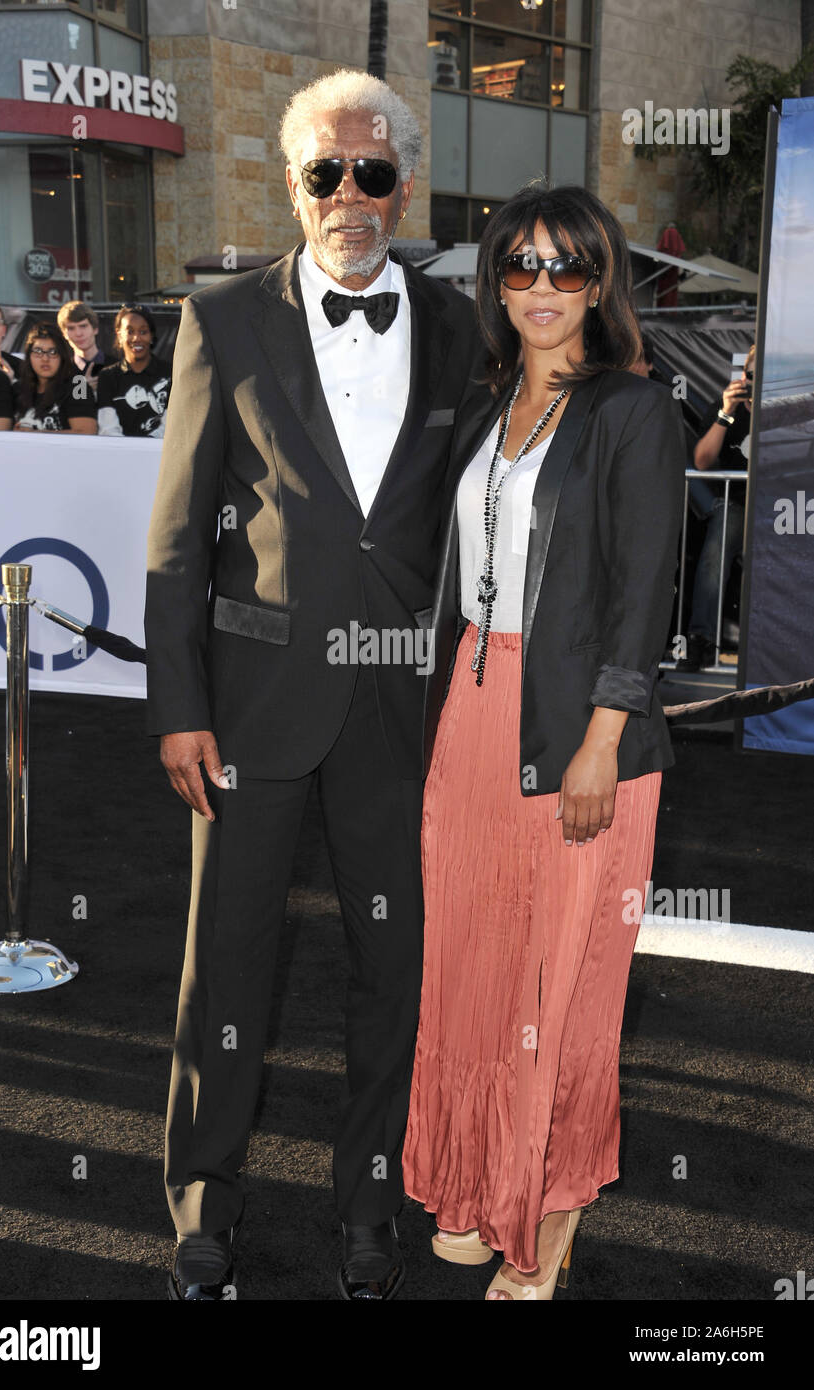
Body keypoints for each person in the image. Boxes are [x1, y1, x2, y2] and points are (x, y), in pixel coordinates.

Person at [144, 68, 480, 1302]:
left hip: (399, 707)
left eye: (374, 171)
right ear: (291, 186)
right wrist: (178, 701)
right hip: (250, 706)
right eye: (326, 173)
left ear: (402, 184)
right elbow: (179, 534)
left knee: (393, 973)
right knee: (224, 965)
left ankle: (370, 1205)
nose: (351, 193)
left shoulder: (462, 326)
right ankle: (202, 1206)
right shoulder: (223, 317)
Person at [401, 184, 686, 1299]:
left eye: (566, 268)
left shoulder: (630, 409)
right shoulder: (483, 410)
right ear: (495, 283)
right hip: (473, 717)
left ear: (600, 281)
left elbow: (641, 593)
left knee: (560, 985)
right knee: (470, 969)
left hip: (578, 730)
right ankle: (473, 1184)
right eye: (518, 266)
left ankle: (547, 1218)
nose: (541, 289)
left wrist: (602, 736)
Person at [676, 346, 754, 672]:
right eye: (749, 375)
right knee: (714, 555)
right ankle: (701, 641)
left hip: (783, 504)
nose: (752, 381)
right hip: (738, 501)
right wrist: (727, 412)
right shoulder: (727, 406)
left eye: (761, 375)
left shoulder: (788, 406)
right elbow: (702, 461)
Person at [96, 305, 170, 437]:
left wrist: (146, 447)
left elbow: (170, 426)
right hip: (119, 454)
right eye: (130, 332)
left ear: (151, 335)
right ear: (119, 335)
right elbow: (108, 429)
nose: (136, 338)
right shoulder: (107, 376)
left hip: (161, 453)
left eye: (143, 332)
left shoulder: (170, 373)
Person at [13, 323, 97, 434]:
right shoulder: (18, 388)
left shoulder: (78, 386)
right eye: (38, 351)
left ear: (62, 356)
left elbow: (87, 432)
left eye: (53, 352)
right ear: (29, 356)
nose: (45, 358)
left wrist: (36, 434)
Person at [57, 301, 116, 389]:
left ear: (95, 329)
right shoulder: (61, 373)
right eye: (71, 328)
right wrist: (84, 390)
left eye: (83, 326)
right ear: (64, 334)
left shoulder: (117, 367)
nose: (78, 333)